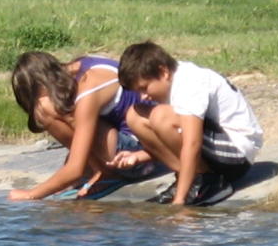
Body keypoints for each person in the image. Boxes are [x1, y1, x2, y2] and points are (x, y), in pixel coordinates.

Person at [113, 41, 264, 206]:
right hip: (215, 148)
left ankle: (207, 182)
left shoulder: (189, 83)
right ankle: (192, 181)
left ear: (163, 72)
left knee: (160, 116)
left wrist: (179, 201)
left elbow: (192, 143)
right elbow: (174, 140)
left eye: (144, 88)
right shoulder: (171, 83)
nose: (143, 97)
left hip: (237, 155)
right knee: (135, 115)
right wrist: (140, 156)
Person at [8, 51, 150, 201]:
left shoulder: (88, 90)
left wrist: (32, 194)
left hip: (135, 158)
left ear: (42, 84)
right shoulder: (82, 66)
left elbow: (75, 169)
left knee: (44, 109)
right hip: (141, 142)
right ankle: (99, 170)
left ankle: (107, 174)